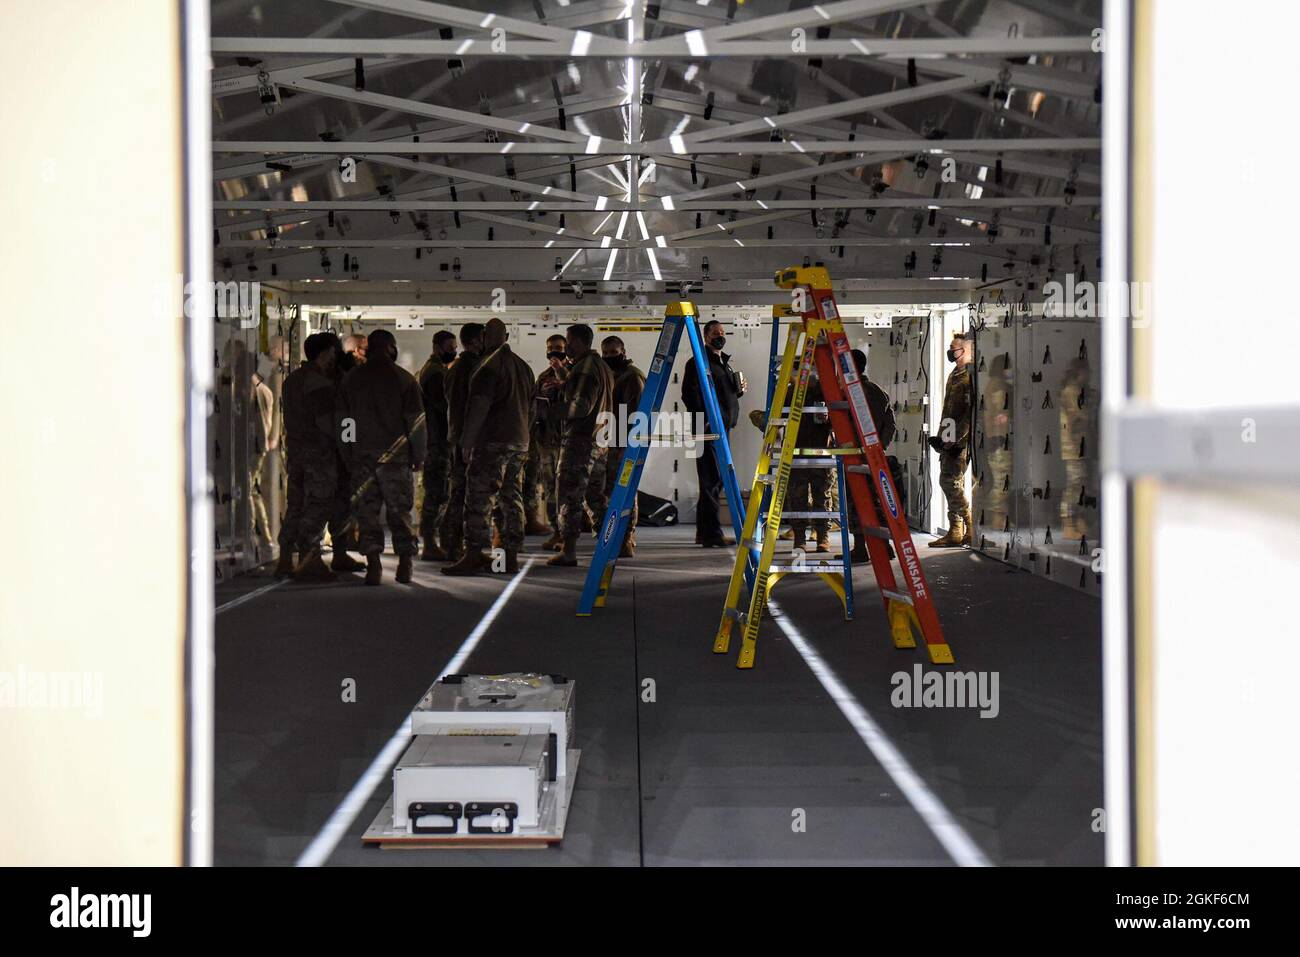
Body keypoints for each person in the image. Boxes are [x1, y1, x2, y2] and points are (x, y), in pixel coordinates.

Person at [444, 318, 535, 576]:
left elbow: (479, 407)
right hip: (519, 442)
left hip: (492, 442)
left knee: (479, 499)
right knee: (511, 498)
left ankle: (473, 553)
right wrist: (523, 435)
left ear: (485, 336)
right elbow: (532, 407)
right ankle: (510, 556)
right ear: (506, 337)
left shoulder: (488, 367)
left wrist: (467, 440)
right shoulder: (523, 367)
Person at [338, 329, 426, 584]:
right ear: (390, 348)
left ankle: (374, 566)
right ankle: (405, 564)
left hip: (362, 457)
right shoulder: (404, 379)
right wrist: (418, 453)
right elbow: (416, 423)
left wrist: (348, 451)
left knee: (367, 514)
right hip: (396, 459)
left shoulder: (352, 380)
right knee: (400, 513)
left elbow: (345, 421)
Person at [275, 333, 351, 580]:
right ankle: (309, 560)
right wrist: (347, 444)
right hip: (319, 454)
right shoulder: (319, 384)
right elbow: (329, 422)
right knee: (318, 505)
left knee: (295, 505)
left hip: (296, 451)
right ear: (325, 352)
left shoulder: (293, 380)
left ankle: (285, 559)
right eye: (334, 351)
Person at [549, 323, 614, 567]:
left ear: (577, 342)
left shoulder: (584, 369)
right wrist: (565, 382)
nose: (566, 347)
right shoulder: (602, 366)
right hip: (600, 440)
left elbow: (581, 407)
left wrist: (548, 410)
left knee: (569, 494)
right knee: (595, 497)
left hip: (581, 440)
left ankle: (569, 550)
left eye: (568, 342)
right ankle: (611, 543)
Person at [682, 320, 746, 547]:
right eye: (715, 333)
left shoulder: (723, 363)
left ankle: (704, 532)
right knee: (711, 479)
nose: (720, 336)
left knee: (712, 480)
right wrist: (706, 421)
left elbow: (723, 395)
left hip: (722, 427)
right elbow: (689, 395)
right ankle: (712, 535)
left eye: (722, 332)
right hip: (707, 430)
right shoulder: (698, 363)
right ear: (705, 336)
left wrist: (738, 391)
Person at [592, 335, 646, 557]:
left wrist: (631, 446)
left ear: (623, 352)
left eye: (613, 353)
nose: (608, 357)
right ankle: (606, 536)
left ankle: (625, 539)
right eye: (605, 353)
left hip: (623, 444)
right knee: (600, 492)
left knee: (623, 492)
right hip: (605, 443)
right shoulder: (607, 375)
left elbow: (638, 414)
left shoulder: (632, 377)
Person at [441, 323, 486, 561]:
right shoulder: (470, 368)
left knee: (459, 492)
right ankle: (453, 545)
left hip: (458, 437)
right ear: (476, 341)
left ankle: (454, 544)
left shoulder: (457, 367)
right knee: (461, 493)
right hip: (465, 440)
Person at [927, 330, 973, 548]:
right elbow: (949, 410)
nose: (950, 352)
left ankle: (969, 522)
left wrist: (955, 440)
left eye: (953, 348)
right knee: (952, 482)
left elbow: (968, 414)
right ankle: (955, 531)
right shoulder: (954, 374)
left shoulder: (969, 377)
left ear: (965, 350)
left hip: (960, 441)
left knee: (948, 481)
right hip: (947, 436)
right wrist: (942, 438)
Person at [416, 330, 457, 561]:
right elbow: (445, 406)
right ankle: (429, 542)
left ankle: (437, 540)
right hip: (437, 441)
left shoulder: (435, 370)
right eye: (450, 348)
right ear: (438, 347)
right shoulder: (434, 373)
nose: (453, 352)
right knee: (437, 492)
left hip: (438, 440)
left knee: (439, 491)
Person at [524, 334, 568, 545]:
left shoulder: (574, 373)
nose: (554, 351)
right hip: (547, 440)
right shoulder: (542, 377)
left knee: (568, 488)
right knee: (551, 487)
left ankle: (569, 532)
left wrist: (562, 382)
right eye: (550, 347)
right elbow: (534, 406)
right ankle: (557, 530)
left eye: (558, 347)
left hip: (568, 440)